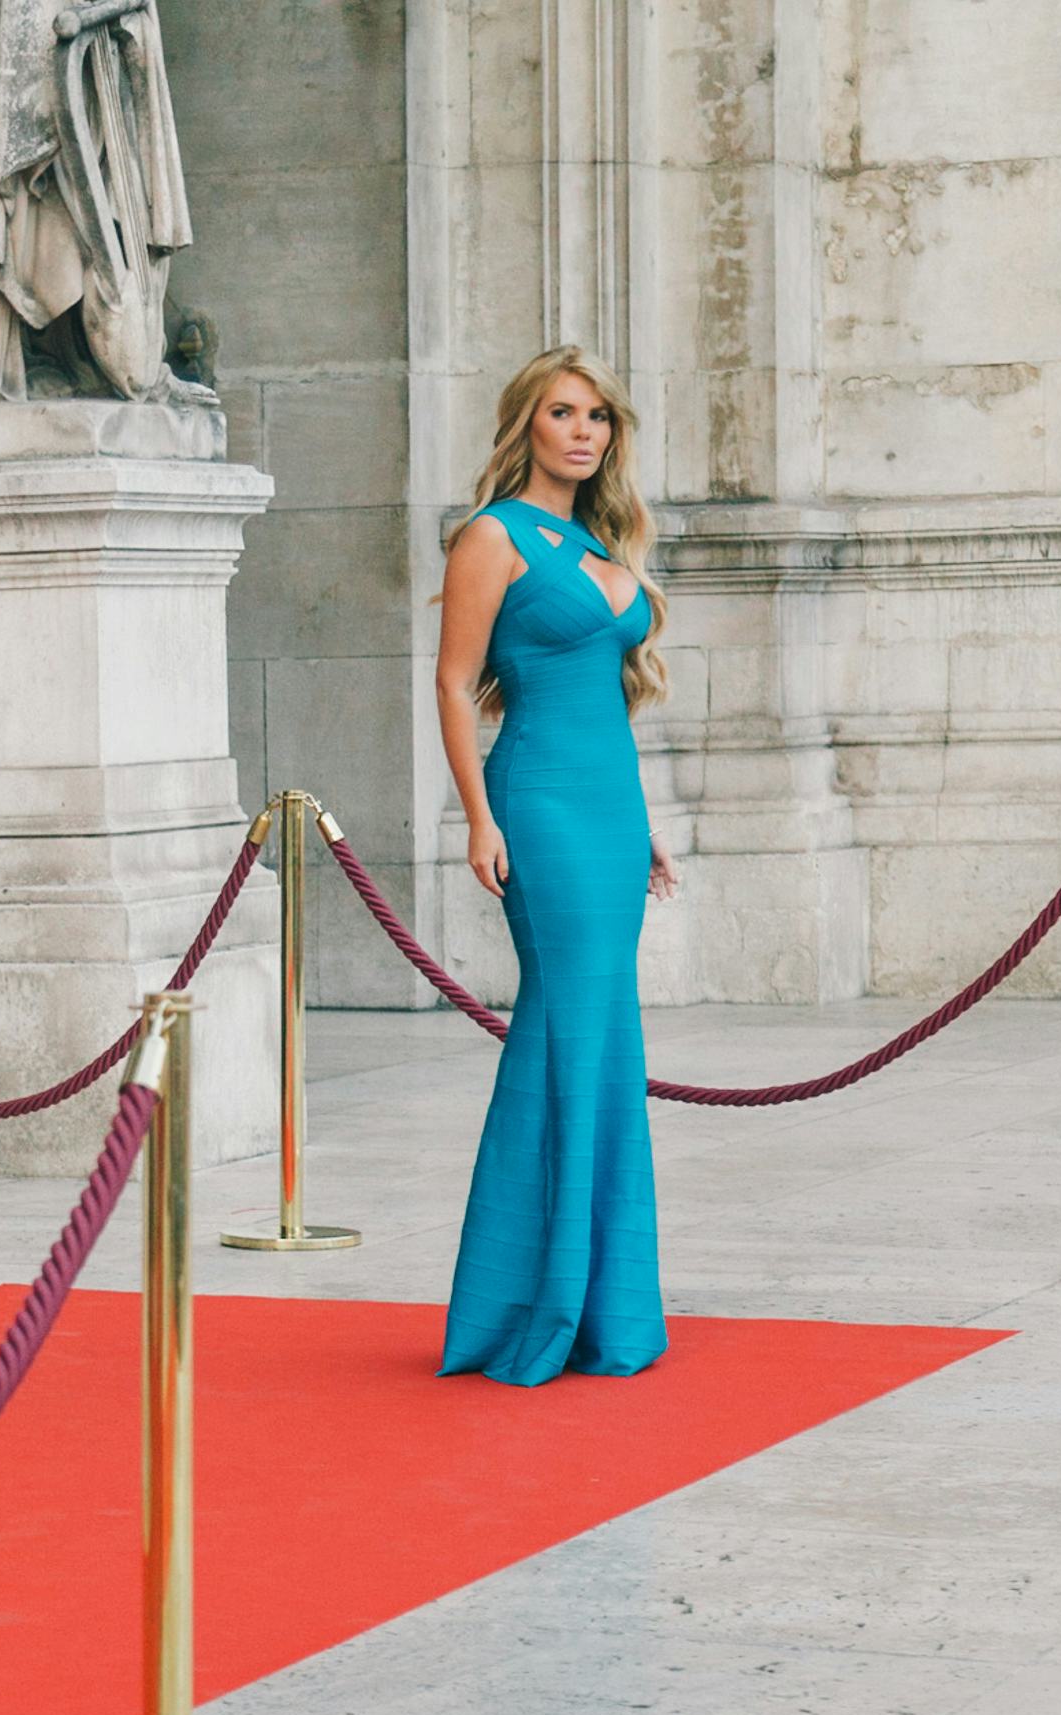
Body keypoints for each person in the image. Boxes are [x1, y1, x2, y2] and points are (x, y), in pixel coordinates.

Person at [432, 347, 673, 1389]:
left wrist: (644, 822)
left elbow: (606, 702)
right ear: (523, 425)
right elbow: (450, 683)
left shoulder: (592, 540)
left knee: (597, 1032)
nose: (580, 431)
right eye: (559, 413)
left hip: (609, 812)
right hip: (533, 802)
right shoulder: (491, 537)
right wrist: (477, 820)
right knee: (566, 1026)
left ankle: (589, 1300)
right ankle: (536, 1303)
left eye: (596, 418)